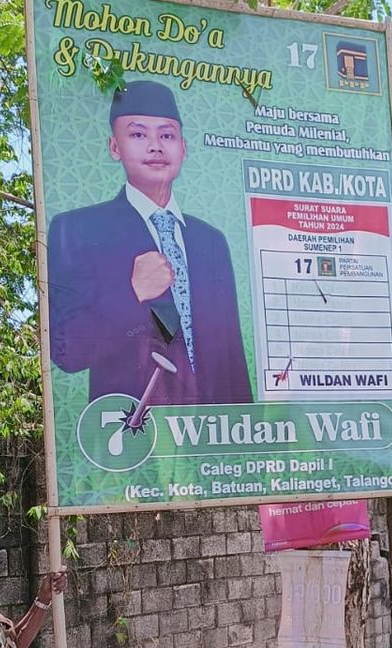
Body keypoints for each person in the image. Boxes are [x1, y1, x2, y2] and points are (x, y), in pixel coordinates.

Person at [47, 80, 252, 406]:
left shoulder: (210, 241)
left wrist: (247, 440)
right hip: (134, 439)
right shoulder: (78, 229)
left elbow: (231, 360)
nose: (156, 146)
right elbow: (67, 352)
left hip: (215, 436)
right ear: (115, 147)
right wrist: (132, 293)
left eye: (167, 135)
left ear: (183, 148)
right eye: (138, 134)